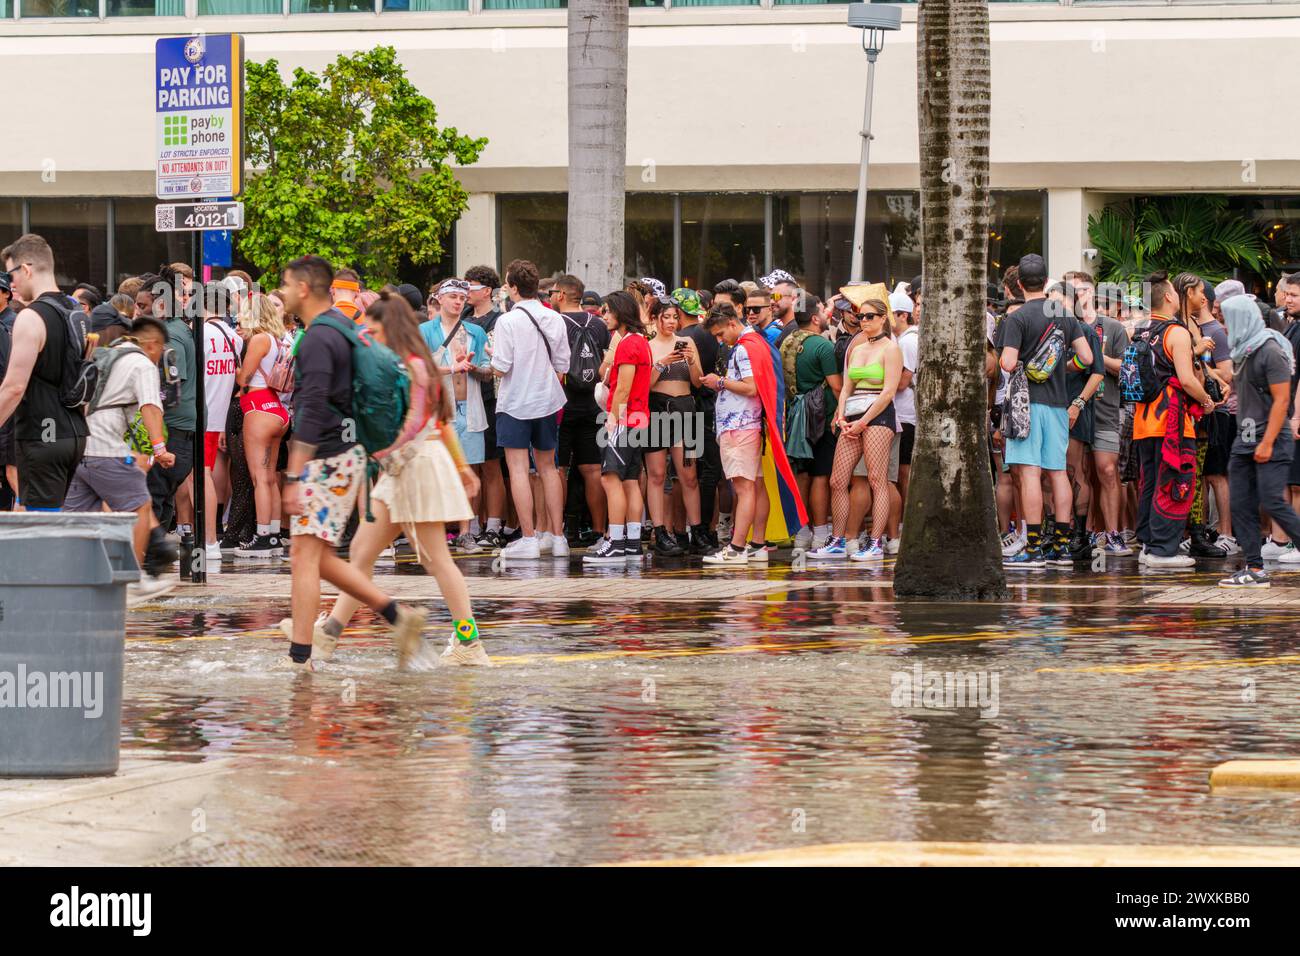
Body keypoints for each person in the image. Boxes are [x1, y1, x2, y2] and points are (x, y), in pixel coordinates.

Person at [306, 292, 489, 665]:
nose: (368, 337)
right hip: (406, 466)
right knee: (362, 554)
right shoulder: (412, 363)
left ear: (388, 327)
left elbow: (420, 421)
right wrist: (462, 468)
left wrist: (378, 452)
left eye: (373, 329)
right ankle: (327, 636)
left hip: (414, 466)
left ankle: (469, 643)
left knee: (434, 559)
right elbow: (441, 422)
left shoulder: (412, 366)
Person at [275, 255, 426, 672]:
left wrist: (293, 473)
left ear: (304, 288)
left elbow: (311, 404)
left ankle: (301, 657)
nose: (283, 293)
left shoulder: (320, 336)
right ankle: (396, 615)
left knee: (305, 557)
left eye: (286, 285)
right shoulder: (343, 328)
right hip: (346, 453)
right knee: (316, 555)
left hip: (325, 457)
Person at [65, 316, 177, 602]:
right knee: (140, 507)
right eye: (161, 349)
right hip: (105, 449)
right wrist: (159, 448)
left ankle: (75, 581)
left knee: (79, 518)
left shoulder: (109, 356)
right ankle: (134, 579)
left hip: (78, 447)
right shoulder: (141, 364)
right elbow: (151, 407)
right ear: (152, 344)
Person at [997, 253, 1093, 569]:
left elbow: (1009, 363)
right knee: (1058, 472)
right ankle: (1063, 548)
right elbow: (1087, 359)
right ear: (1046, 280)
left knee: (1030, 475)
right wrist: (1063, 368)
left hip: (1026, 406)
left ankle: (1035, 548)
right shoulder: (1063, 315)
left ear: (1020, 284)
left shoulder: (1018, 317)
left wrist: (1007, 362)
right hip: (1057, 405)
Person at [700, 303, 807, 565]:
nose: (719, 340)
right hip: (751, 424)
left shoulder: (745, 347)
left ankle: (737, 548)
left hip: (740, 425)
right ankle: (757, 544)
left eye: (719, 334)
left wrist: (720, 382)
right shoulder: (754, 342)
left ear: (732, 324)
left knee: (744, 487)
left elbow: (750, 388)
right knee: (756, 486)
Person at [1132, 271, 1216, 568]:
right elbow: (1187, 379)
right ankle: (1163, 550)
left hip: (1143, 420)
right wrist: (1207, 402)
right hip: (1172, 421)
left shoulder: (1140, 330)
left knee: (1150, 482)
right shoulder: (1176, 332)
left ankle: (1148, 544)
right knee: (1176, 482)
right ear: (1169, 296)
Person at [0, 234, 90, 511]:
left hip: (42, 435)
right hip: (73, 432)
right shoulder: (76, 312)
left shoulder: (31, 316)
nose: (11, 284)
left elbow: (14, 387)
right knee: (50, 520)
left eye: (11, 274)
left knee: (45, 531)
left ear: (26, 269)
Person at [490, 259, 571, 560]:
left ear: (512, 287)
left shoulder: (507, 321)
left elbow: (500, 367)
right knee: (549, 468)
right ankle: (557, 536)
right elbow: (563, 365)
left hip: (515, 403)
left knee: (519, 469)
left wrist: (490, 356)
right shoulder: (555, 318)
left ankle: (528, 537)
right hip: (548, 399)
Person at [1220, 294, 1300, 587]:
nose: (1224, 326)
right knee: (1241, 502)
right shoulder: (1244, 351)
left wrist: (1267, 442)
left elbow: (1281, 402)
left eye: (1227, 319)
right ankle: (1254, 568)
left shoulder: (1270, 350)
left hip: (1272, 437)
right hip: (1246, 437)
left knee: (1272, 501)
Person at [822, 299, 901, 562]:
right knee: (837, 479)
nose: (863, 320)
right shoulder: (857, 348)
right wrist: (842, 415)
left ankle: (876, 542)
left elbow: (889, 391)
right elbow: (846, 386)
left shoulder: (890, 348)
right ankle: (837, 539)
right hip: (853, 413)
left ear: (882, 318)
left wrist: (863, 421)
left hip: (877, 415)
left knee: (877, 480)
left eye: (869, 316)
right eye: (860, 315)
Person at [420, 278, 491, 553]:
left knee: (470, 471)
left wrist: (474, 367)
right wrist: (452, 368)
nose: (459, 302)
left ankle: (466, 532)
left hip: (470, 409)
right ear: (439, 299)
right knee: (437, 472)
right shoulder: (425, 331)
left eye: (462, 298)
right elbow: (418, 370)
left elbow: (487, 372)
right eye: (452, 297)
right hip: (438, 411)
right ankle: (436, 532)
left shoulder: (475, 332)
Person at [585, 290, 652, 565]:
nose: (604, 316)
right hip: (639, 417)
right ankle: (632, 543)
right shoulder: (642, 342)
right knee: (630, 480)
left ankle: (616, 542)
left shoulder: (626, 344)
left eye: (608, 311)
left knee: (610, 479)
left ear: (621, 312)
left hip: (624, 418)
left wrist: (612, 421)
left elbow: (623, 387)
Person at [551, 273, 610, 544]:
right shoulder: (598, 324)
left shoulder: (554, 322)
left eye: (553, 292)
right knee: (593, 469)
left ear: (561, 295)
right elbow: (607, 363)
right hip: (593, 403)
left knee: (558, 469)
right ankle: (599, 530)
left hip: (561, 403)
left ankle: (558, 530)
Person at [643, 296, 703, 557]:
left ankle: (697, 530)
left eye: (674, 316)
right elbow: (644, 386)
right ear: (655, 319)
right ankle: (660, 532)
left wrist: (690, 360)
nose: (671, 321)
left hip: (685, 409)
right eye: (665, 316)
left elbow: (698, 382)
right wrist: (662, 363)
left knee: (689, 475)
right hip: (657, 409)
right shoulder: (649, 346)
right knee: (656, 474)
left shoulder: (688, 342)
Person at [233, 294, 292, 558]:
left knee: (259, 478)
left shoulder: (258, 339)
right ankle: (274, 535)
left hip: (257, 407)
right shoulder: (278, 340)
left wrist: (234, 369)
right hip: (277, 410)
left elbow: (245, 377)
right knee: (270, 477)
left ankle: (263, 537)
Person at [145, 269, 197, 563]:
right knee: (160, 496)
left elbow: (171, 385)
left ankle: (151, 559)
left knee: (157, 493)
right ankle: (154, 558)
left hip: (173, 425)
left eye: (144, 304)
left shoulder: (171, 335)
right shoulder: (176, 330)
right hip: (178, 425)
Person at [786, 294, 841, 553]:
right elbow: (836, 386)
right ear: (816, 318)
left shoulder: (785, 342)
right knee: (821, 474)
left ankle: (801, 532)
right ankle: (820, 532)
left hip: (794, 416)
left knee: (801, 474)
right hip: (821, 417)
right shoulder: (822, 346)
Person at [462, 265, 509, 548]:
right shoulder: (464, 318)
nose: (466, 292)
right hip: (464, 398)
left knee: (491, 464)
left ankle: (494, 526)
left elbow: (495, 366)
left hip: (489, 397)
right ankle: (471, 525)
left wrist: (475, 367)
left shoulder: (498, 320)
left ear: (487, 291)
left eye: (472, 286)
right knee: (470, 464)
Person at [201, 282, 243, 568]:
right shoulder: (234, 337)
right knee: (215, 471)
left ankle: (209, 537)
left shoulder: (199, 333)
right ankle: (213, 529)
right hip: (221, 412)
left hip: (201, 412)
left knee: (200, 475)